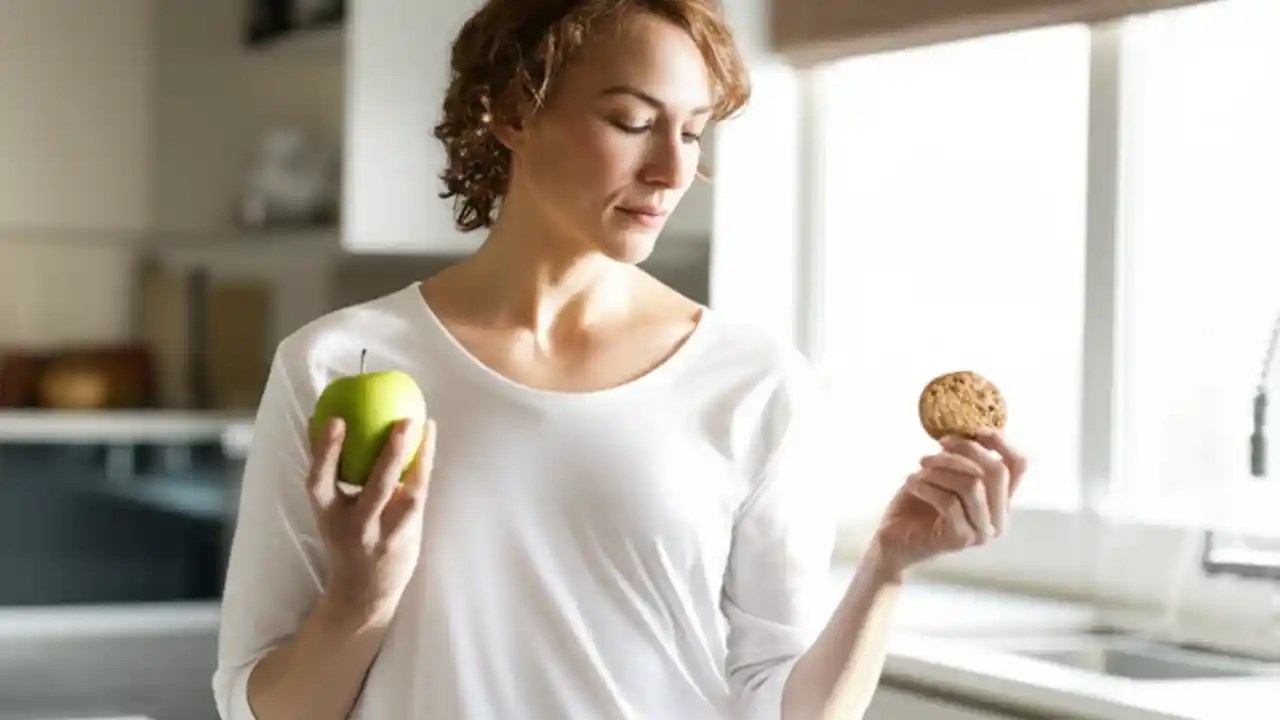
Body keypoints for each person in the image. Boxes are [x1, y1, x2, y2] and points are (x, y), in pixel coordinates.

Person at [212, 1, 1028, 718]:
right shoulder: (338, 364)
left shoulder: (755, 382)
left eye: (693, 131)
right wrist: (363, 593)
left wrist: (889, 566)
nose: (673, 170)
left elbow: (784, 709)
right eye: (633, 122)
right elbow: (264, 709)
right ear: (511, 111)